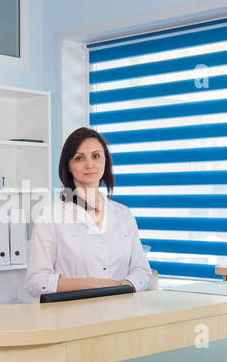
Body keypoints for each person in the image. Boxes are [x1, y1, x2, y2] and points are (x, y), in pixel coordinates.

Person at [23, 126, 152, 300]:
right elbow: (36, 281)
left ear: (105, 162)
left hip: (121, 314)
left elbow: (142, 270)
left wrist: (123, 287)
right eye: (79, 158)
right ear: (68, 166)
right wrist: (93, 285)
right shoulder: (50, 215)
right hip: (73, 317)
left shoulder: (123, 214)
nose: (89, 164)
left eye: (96, 156)